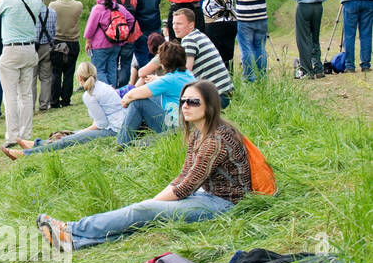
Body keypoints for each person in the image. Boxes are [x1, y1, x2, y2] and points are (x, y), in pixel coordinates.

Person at [38, 79, 252, 251]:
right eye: (183, 101)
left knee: (144, 211)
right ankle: (75, 242)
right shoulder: (199, 132)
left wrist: (152, 203)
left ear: (210, 105)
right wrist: (156, 202)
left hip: (224, 205)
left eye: (193, 102)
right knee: (148, 215)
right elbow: (184, 174)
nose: (186, 106)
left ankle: (71, 229)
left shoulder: (216, 141)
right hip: (207, 195)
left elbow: (186, 187)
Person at [2, 61, 125, 159]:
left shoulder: (90, 95)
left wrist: (80, 132)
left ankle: (26, 154)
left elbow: (101, 124)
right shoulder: (100, 86)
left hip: (114, 130)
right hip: (117, 126)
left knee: (67, 139)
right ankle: (35, 144)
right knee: (71, 134)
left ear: (79, 78)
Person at [0, 0, 42, 145]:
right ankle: (25, 134)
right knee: (26, 94)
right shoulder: (36, 1)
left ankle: (12, 135)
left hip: (11, 50)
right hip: (30, 49)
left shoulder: (8, 0)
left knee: (10, 95)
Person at [115, 41, 194, 147]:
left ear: (164, 62)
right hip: (184, 124)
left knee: (138, 102)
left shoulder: (169, 80)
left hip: (173, 126)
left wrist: (125, 99)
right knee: (152, 96)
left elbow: (132, 94)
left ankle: (122, 143)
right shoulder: (187, 74)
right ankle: (138, 131)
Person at [170, 8, 234, 107]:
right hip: (225, 94)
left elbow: (186, 73)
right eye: (174, 23)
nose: (175, 27)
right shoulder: (198, 35)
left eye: (179, 24)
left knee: (174, 104)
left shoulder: (189, 40)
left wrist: (162, 80)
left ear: (191, 25)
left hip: (216, 98)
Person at [291, 0, 332, 79]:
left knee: (303, 39)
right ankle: (318, 68)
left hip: (304, 7)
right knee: (315, 37)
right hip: (318, 7)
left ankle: (307, 69)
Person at [83, 0, 133, 88]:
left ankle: (106, 93)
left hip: (100, 45)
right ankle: (113, 92)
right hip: (115, 44)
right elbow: (131, 19)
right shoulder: (118, 7)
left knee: (99, 70)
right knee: (112, 69)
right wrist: (124, 33)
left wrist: (88, 42)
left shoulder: (98, 8)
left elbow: (90, 27)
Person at [233, 0, 271, 82]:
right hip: (261, 17)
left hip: (244, 19)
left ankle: (249, 76)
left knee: (246, 48)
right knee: (260, 47)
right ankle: (262, 75)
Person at [49, 0, 83, 108]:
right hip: (73, 42)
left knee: (56, 72)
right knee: (69, 72)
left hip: (57, 41)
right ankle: (66, 100)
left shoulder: (53, 5)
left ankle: (54, 101)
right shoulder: (78, 5)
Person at [29, 0, 58, 112]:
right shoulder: (51, 12)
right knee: (46, 78)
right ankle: (44, 105)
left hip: (32, 48)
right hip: (47, 47)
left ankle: (30, 106)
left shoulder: (28, 13)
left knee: (31, 78)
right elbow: (53, 31)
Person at [131, 0, 165, 71]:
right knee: (154, 51)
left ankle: (146, 73)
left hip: (141, 28)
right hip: (155, 26)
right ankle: (154, 71)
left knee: (141, 53)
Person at [111, 0, 140, 91]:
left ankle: (114, 85)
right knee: (126, 63)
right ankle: (122, 87)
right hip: (130, 33)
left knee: (113, 62)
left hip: (115, 35)